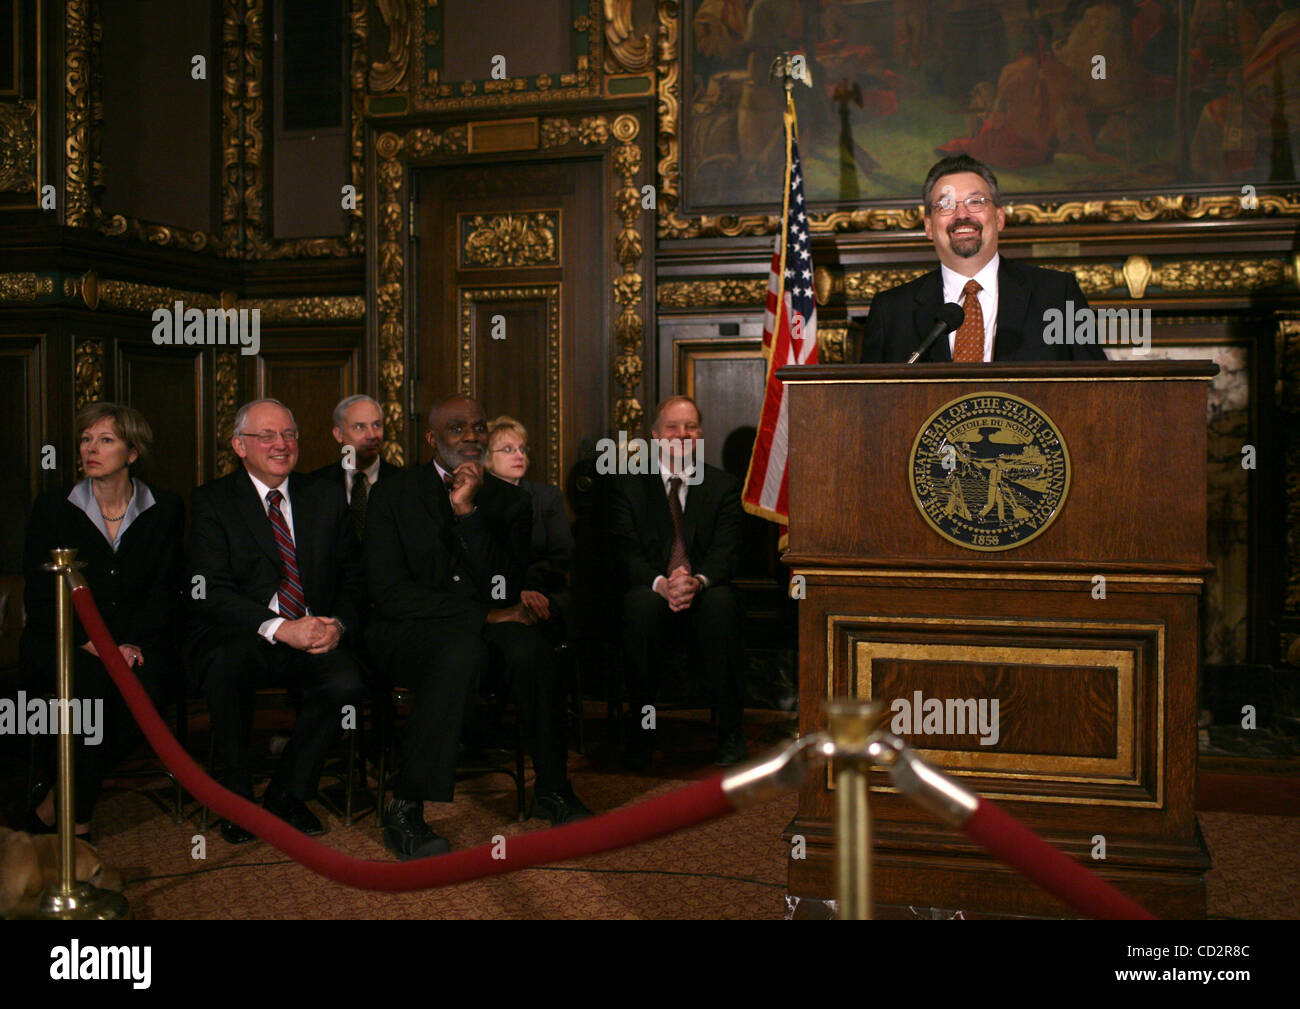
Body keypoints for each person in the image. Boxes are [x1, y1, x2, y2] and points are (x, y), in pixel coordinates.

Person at [364, 395, 590, 860]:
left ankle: (553, 789)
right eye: (456, 428)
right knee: (458, 651)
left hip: (486, 623)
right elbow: (388, 592)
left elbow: (502, 584)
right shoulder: (393, 493)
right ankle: (405, 806)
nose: (471, 436)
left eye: (479, 428)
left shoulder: (509, 501)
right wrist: (480, 615)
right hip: (411, 628)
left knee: (532, 647)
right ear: (431, 438)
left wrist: (467, 513)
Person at [185, 398, 367, 844]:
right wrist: (279, 627)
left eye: (288, 435)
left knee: (347, 683)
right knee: (226, 669)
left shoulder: (324, 496)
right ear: (239, 446)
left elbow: (354, 576)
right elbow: (208, 590)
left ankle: (288, 793)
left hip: (312, 633)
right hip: (242, 633)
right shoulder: (212, 502)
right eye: (266, 435)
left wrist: (337, 626)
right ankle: (237, 798)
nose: (281, 444)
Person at [20, 403, 184, 842]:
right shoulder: (53, 508)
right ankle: (78, 818)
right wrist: (92, 643)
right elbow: (40, 597)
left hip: (139, 642)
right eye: (86, 440)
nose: (91, 449)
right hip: (65, 640)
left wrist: (131, 644)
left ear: (132, 453)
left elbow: (167, 589)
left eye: (105, 440)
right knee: (91, 692)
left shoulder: (165, 508)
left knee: (148, 691)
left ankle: (57, 798)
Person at [860, 154, 1108, 364]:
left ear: (999, 217)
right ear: (928, 226)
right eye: (945, 205)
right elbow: (872, 406)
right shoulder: (891, 311)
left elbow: (1096, 390)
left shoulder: (1058, 295)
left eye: (976, 202)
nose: (962, 215)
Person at [610, 395, 747, 769]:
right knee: (639, 606)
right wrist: (662, 583)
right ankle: (641, 732)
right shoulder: (629, 485)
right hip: (652, 588)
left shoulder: (722, 486)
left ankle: (730, 733)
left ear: (700, 435)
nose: (682, 435)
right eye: (672, 427)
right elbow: (625, 553)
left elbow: (727, 552)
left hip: (703, 588)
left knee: (722, 606)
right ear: (655, 436)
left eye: (690, 427)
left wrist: (696, 581)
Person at [483, 416, 573, 621]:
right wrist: (516, 592)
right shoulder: (474, 500)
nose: (519, 456)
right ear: (487, 457)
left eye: (522, 449)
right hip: (492, 594)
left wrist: (530, 589)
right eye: (508, 450)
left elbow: (562, 554)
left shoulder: (547, 497)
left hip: (545, 591)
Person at [310, 394, 400, 542]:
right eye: (359, 427)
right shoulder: (316, 485)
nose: (372, 435)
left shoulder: (404, 484)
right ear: (338, 434)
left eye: (377, 425)